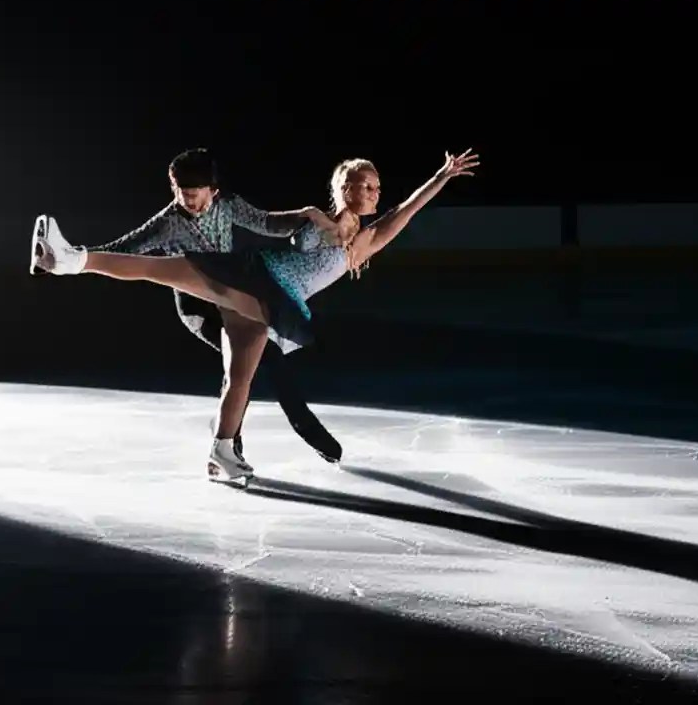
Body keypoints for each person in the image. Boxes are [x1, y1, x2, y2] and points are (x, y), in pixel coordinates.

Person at [32, 148, 480, 484]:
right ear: (343, 189)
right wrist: (309, 216)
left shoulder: (366, 242)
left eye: (377, 186)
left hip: (271, 302)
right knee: (164, 269)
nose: (373, 192)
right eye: (364, 184)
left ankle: (222, 451)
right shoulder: (320, 221)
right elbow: (274, 224)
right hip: (254, 278)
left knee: (239, 376)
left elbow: (407, 211)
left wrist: (441, 176)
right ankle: (73, 259)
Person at [31, 147, 335, 460]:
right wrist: (64, 260)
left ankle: (246, 435)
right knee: (252, 361)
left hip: (231, 295)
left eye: (192, 194)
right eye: (178, 192)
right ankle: (238, 441)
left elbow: (267, 223)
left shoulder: (229, 205)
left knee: (255, 360)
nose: (184, 201)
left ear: (213, 191)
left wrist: (305, 215)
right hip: (197, 305)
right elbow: (124, 249)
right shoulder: (168, 221)